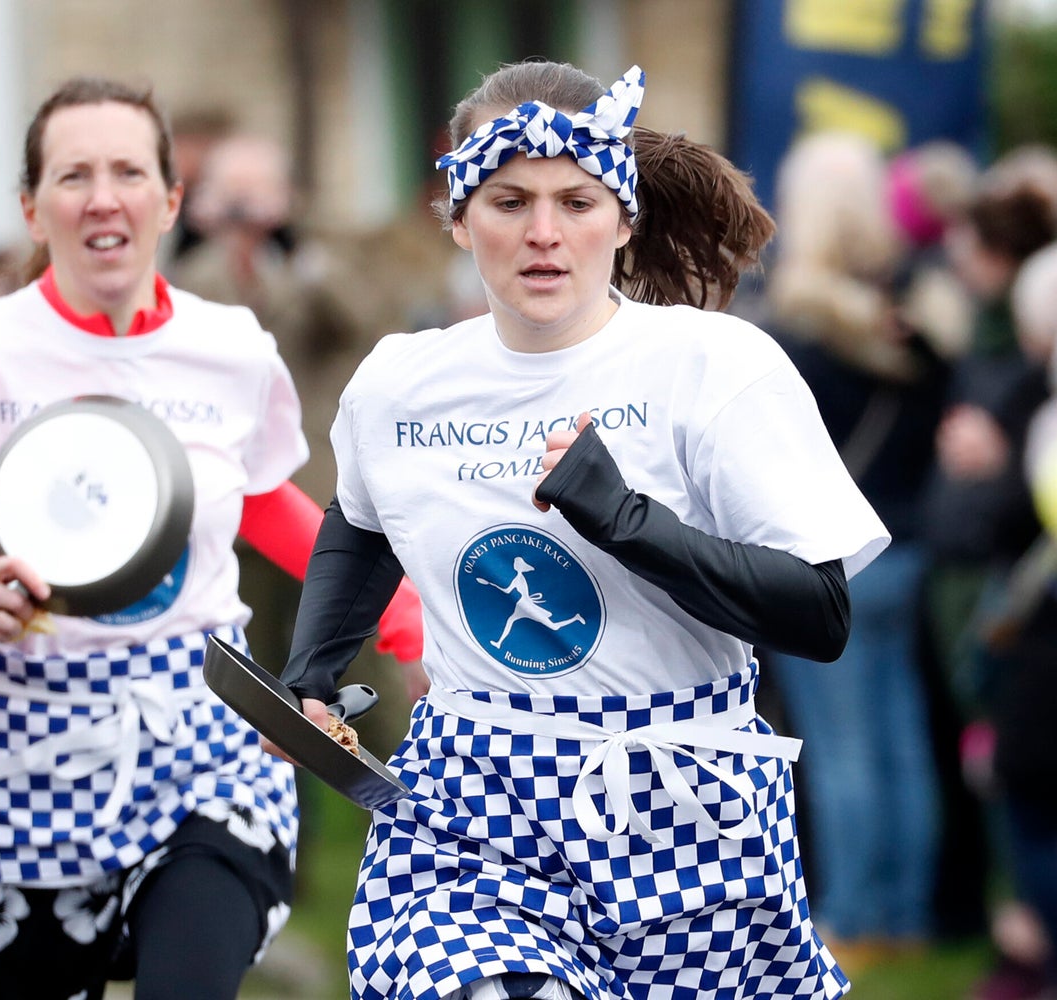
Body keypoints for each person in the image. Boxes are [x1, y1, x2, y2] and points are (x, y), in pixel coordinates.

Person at [270, 62, 888, 1000]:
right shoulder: (398, 382)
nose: (544, 234)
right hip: (477, 808)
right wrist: (310, 670)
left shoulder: (713, 365)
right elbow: (359, 524)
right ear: (458, 215)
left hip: (688, 815)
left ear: (624, 217)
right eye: (509, 200)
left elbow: (820, 614)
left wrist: (626, 519)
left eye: (577, 200)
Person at [0, 76, 421, 1000]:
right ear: (31, 207)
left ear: (170, 199)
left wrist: (410, 618)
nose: (103, 197)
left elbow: (270, 509)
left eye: (129, 172)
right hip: (29, 752)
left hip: (204, 741)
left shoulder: (232, 348)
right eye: (73, 176)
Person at [759, 132, 943, 964]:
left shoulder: (800, 325)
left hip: (829, 559)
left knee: (843, 748)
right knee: (900, 733)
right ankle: (907, 913)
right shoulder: (922, 316)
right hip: (907, 547)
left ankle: (856, 915)